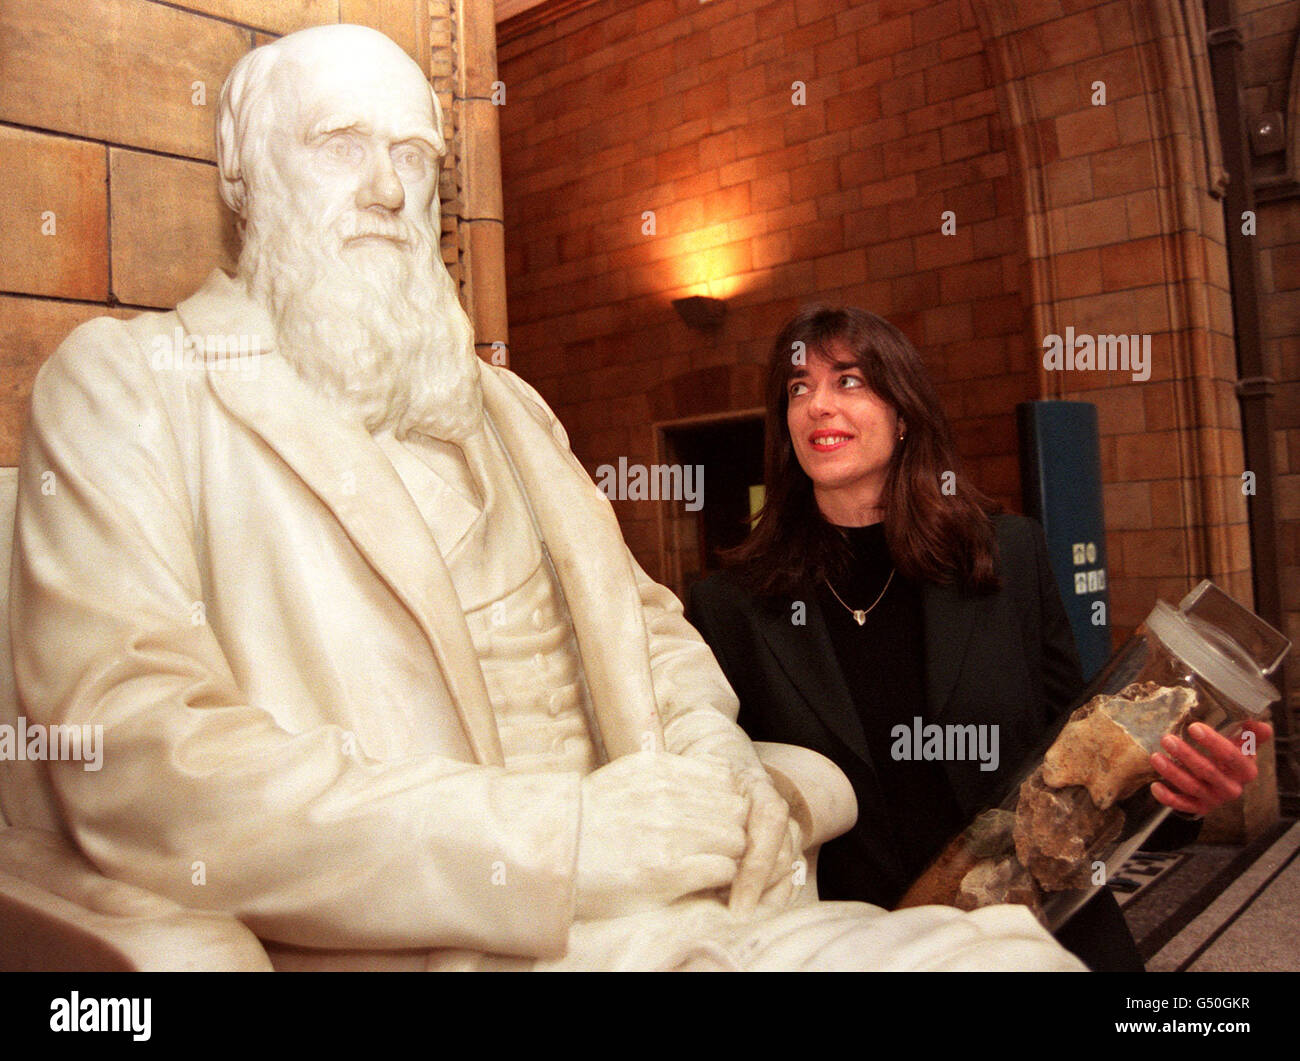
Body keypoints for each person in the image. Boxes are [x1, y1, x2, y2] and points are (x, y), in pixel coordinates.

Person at [2, 26, 1084, 971]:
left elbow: (651, 630)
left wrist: (714, 772)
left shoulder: (506, 406)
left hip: (672, 903)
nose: (387, 189)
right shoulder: (138, 384)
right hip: (429, 935)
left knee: (1005, 954)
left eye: (414, 157)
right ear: (241, 177)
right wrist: (561, 834)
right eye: (340, 145)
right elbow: (136, 754)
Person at [688, 305, 1272, 972]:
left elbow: (1079, 754)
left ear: (903, 412)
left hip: (1038, 933)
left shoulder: (1006, 557)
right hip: (862, 952)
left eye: (848, 380)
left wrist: (1181, 793)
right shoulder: (730, 605)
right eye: (798, 388)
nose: (818, 404)